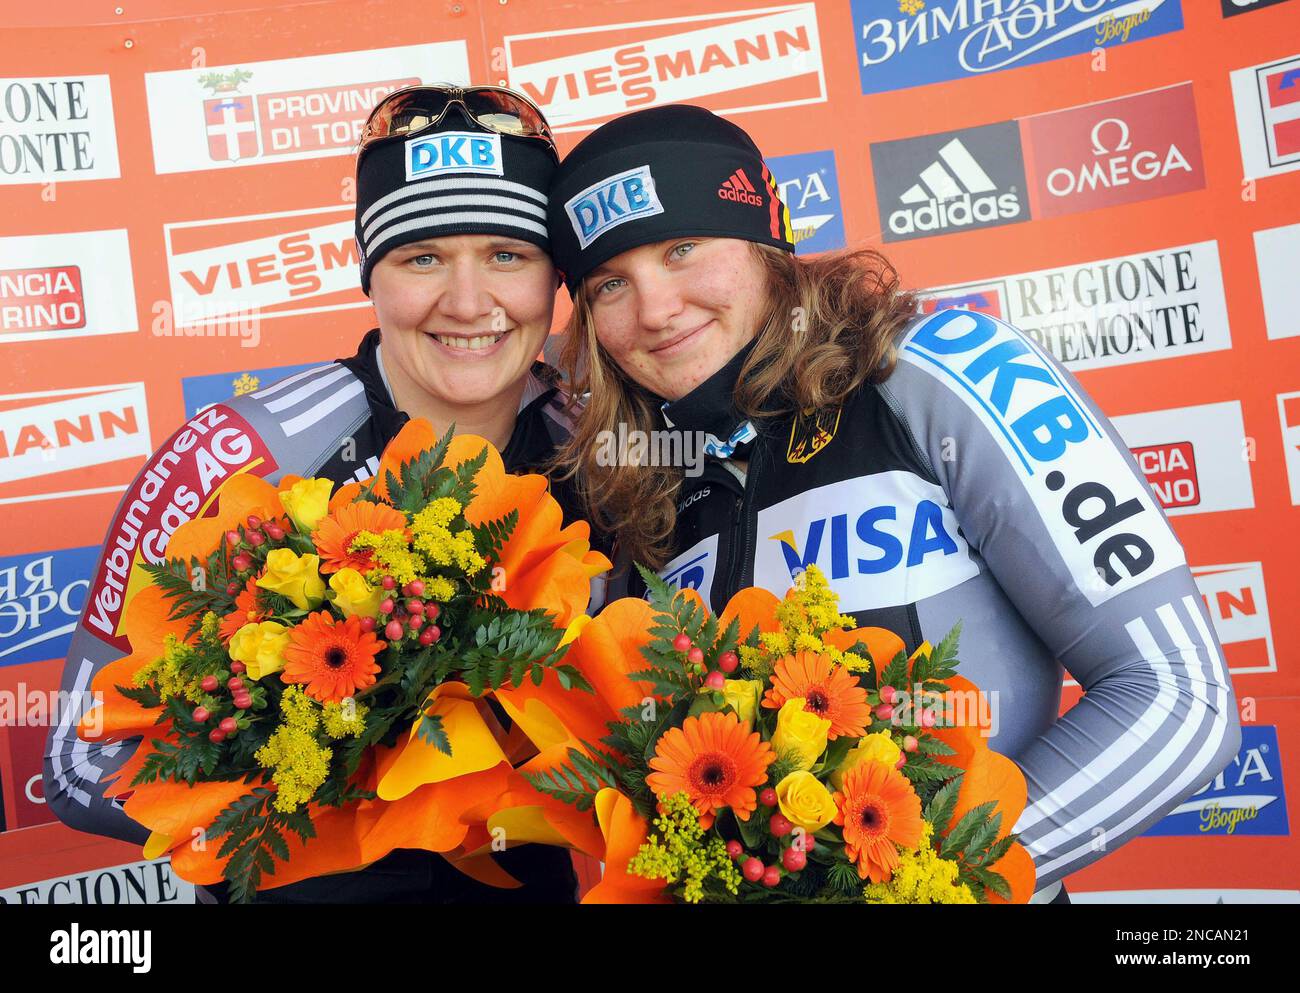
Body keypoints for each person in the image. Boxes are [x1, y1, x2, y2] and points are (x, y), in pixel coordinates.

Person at [545, 104, 1242, 904]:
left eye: (683, 248)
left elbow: (1180, 699)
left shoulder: (938, 374)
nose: (656, 308)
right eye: (610, 284)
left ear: (769, 245)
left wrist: (927, 887)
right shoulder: (634, 491)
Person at [43, 84, 594, 904]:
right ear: (368, 271)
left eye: (507, 254)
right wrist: (343, 797)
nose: (470, 301)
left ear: (556, 275)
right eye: (423, 257)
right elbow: (76, 763)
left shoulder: (606, 453)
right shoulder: (238, 455)